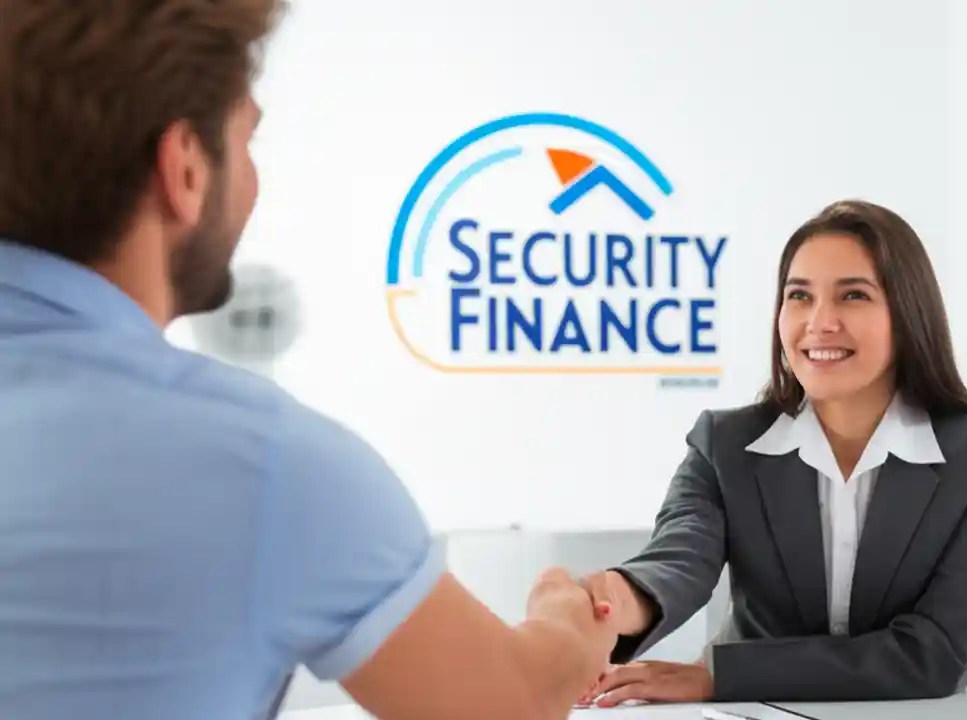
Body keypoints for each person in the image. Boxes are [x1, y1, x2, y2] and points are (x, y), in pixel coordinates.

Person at [0, 2, 615, 719]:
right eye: (247, 139)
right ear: (186, 168)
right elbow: (513, 701)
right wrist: (563, 615)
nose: (255, 178)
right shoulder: (260, 461)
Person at [577, 200, 967, 705]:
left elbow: (934, 655)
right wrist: (614, 598)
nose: (819, 322)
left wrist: (720, 676)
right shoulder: (724, 443)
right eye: (799, 296)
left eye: (853, 295)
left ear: (907, 314)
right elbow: (679, 560)